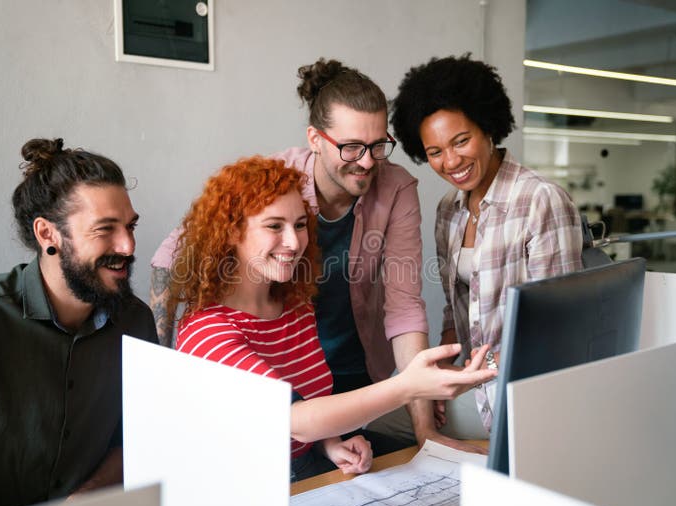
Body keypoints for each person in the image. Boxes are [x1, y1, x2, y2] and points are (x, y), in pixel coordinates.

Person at [151, 58, 481, 453]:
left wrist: (425, 432)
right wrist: (164, 373)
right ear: (315, 139)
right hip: (272, 370)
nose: (367, 161)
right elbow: (173, 257)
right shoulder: (278, 182)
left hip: (329, 368)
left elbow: (404, 306)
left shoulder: (393, 189)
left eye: (379, 146)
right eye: (352, 147)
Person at [169, 156, 497, 481]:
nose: (294, 241)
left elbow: (303, 402)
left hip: (302, 469)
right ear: (230, 233)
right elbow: (294, 419)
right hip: (246, 486)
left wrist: (330, 444)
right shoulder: (207, 331)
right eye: (274, 226)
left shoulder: (294, 306)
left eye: (300, 225)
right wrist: (408, 386)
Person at [0, 138, 158, 506]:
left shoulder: (135, 322)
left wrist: (80, 501)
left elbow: (133, 439)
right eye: (106, 229)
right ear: (47, 234)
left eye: (130, 226)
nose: (128, 245)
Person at [390, 54, 583, 436]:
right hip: (473, 383)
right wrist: (440, 374)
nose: (451, 161)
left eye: (461, 141)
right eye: (434, 152)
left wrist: (473, 373)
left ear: (488, 128)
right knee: (383, 425)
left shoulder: (540, 200)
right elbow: (456, 310)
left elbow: (559, 326)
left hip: (523, 394)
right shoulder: (449, 210)